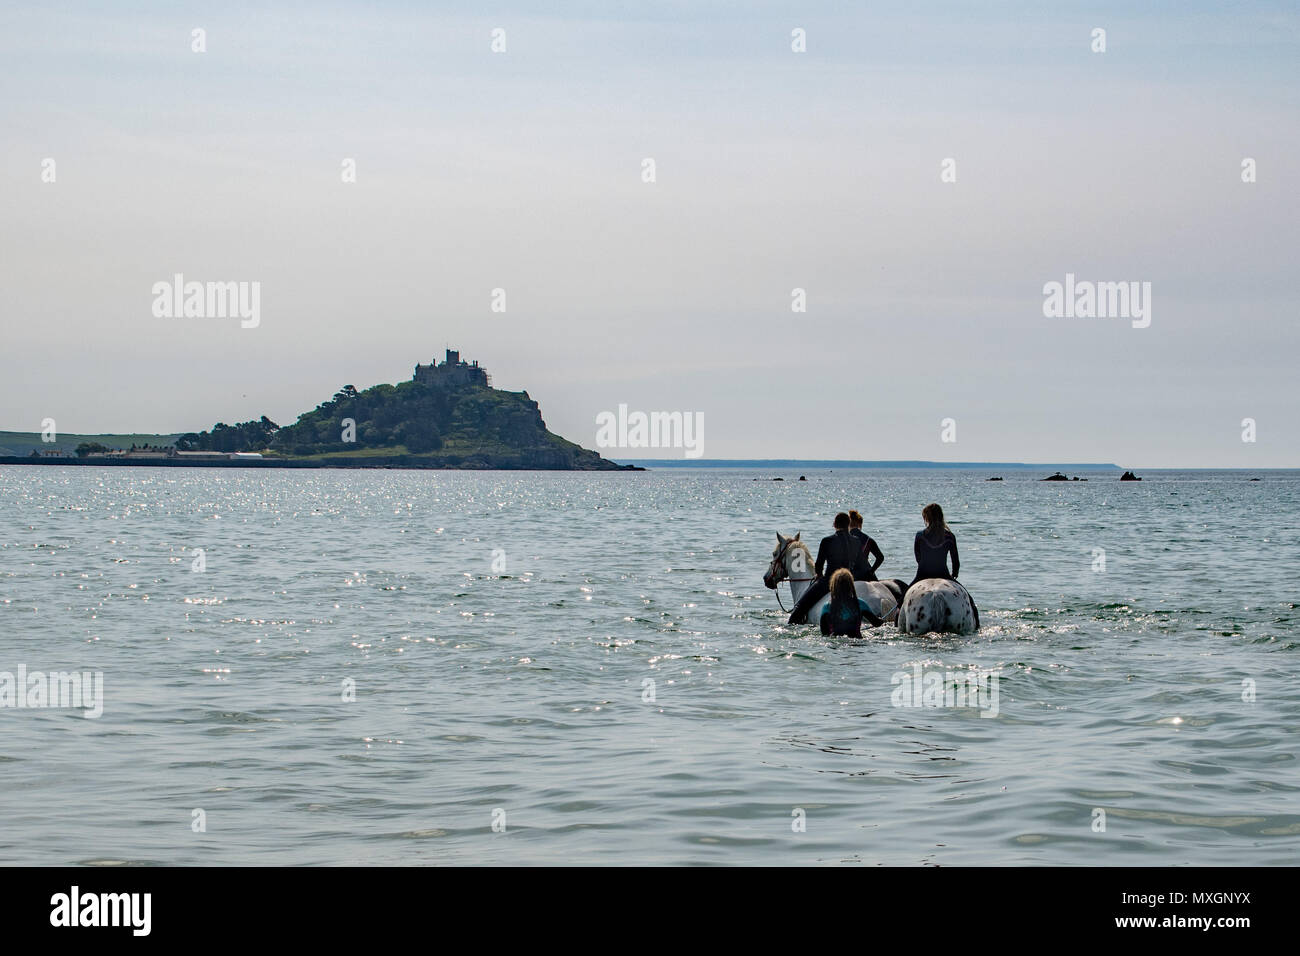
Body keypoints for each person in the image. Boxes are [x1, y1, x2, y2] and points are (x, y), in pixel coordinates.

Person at [788, 512, 875, 625]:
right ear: (849, 525)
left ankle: (792, 623)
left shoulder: (827, 541)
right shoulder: (856, 541)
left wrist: (819, 575)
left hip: (829, 582)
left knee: (799, 607)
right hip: (850, 582)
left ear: (834, 524)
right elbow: (862, 564)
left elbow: (819, 565)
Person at [906, 503, 978, 628]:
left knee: (901, 601)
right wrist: (954, 575)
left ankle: (897, 623)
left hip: (922, 574)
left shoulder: (920, 536)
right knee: (970, 602)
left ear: (927, 518)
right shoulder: (950, 536)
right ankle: (977, 625)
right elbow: (955, 561)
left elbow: (919, 559)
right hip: (943, 573)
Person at [820, 569, 880, 636]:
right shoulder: (860, 604)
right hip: (857, 642)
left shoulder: (827, 607)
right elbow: (876, 623)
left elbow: (824, 632)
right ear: (851, 586)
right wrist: (881, 620)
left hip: (834, 644)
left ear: (834, 586)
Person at [847, 509, 884, 581]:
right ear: (860, 524)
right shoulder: (868, 539)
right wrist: (871, 571)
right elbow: (880, 558)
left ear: (848, 524)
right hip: (865, 574)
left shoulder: (843, 538)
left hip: (849, 575)